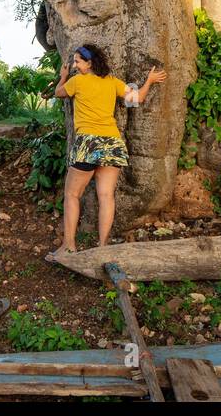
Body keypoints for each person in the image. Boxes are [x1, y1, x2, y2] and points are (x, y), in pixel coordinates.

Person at [49, 44, 166, 262]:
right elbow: (137, 99)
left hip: (89, 144)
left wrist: (62, 76)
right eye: (73, 62)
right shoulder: (112, 82)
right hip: (112, 143)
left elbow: (58, 93)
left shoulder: (77, 82)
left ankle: (69, 246)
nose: (74, 66)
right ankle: (102, 248)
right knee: (106, 196)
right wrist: (149, 81)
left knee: (72, 194)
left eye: (77, 62)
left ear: (90, 63)